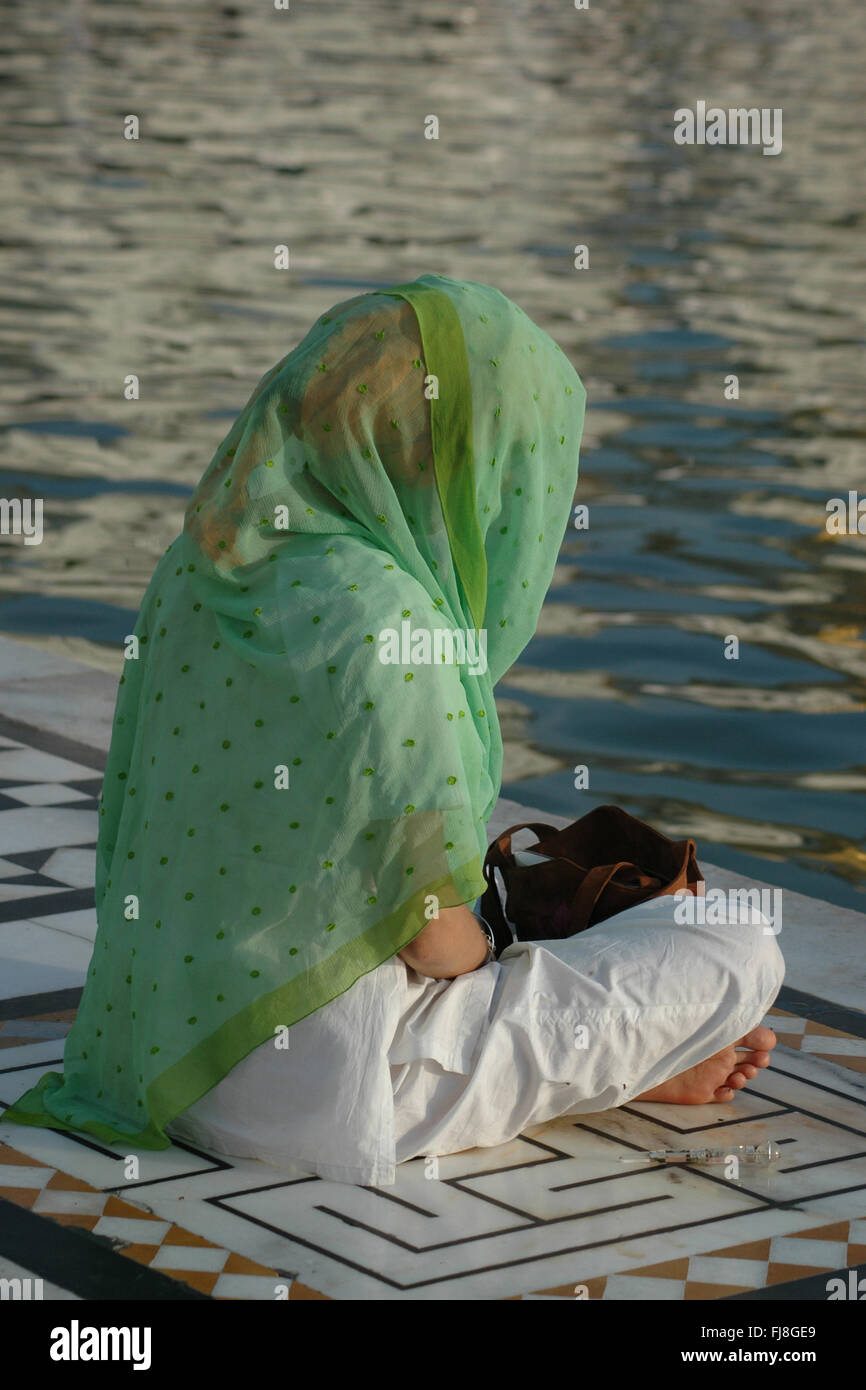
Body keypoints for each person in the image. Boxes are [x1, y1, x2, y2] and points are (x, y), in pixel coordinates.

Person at [3, 274, 783, 1186]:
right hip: (327, 1092)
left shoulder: (204, 560)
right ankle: (631, 1069)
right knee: (735, 945)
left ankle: (615, 1052)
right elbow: (430, 942)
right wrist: (500, 943)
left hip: (159, 1050)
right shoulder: (393, 624)